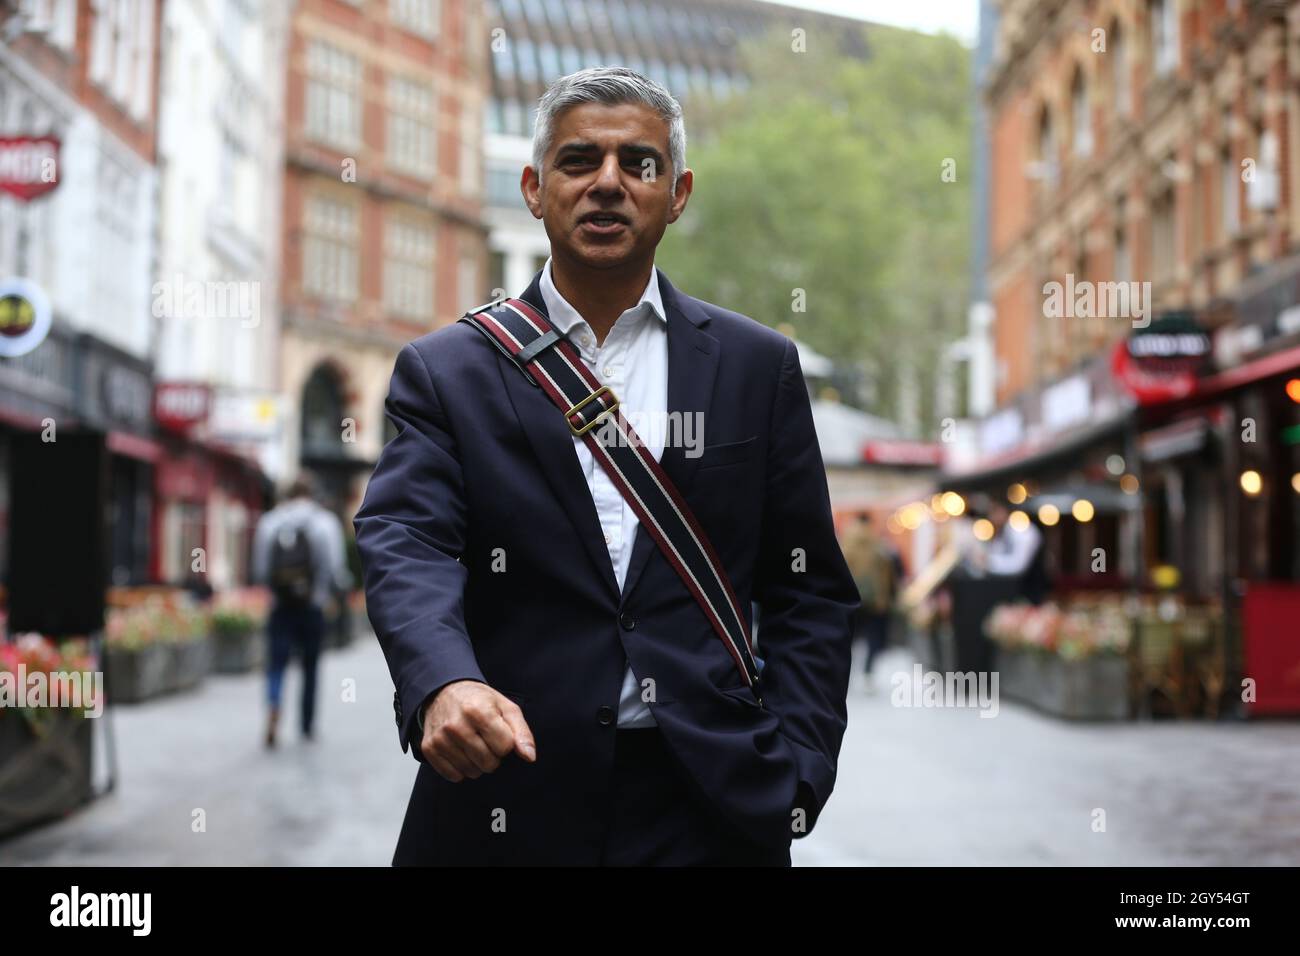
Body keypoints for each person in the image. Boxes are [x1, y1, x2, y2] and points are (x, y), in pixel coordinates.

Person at [354, 67, 858, 866]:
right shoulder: (446, 370)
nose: (609, 184)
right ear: (533, 187)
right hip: (504, 793)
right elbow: (405, 540)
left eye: (640, 164)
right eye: (580, 160)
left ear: (679, 191)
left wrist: (798, 768)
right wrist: (440, 681)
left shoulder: (758, 367)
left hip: (710, 804)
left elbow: (808, 590)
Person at [251, 474, 349, 748]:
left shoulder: (270, 522)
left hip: (280, 606)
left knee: (276, 663)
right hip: (313, 606)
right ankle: (306, 725)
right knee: (310, 666)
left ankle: (273, 704)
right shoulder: (325, 523)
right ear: (312, 493)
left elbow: (260, 569)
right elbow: (335, 569)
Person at [840, 513, 899, 685]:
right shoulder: (878, 545)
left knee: (848, 638)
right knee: (874, 637)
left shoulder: (846, 545)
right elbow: (886, 575)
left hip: (851, 599)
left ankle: (844, 671)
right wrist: (884, 598)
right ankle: (867, 671)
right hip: (874, 601)